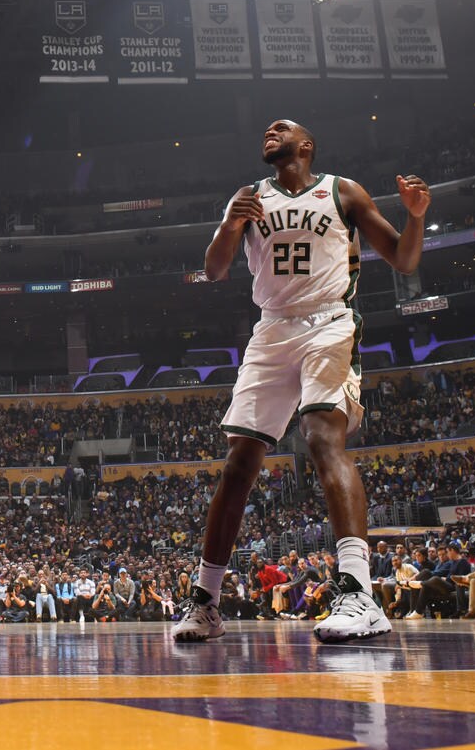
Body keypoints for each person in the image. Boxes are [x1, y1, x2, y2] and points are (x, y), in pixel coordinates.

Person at [172, 120, 430, 645]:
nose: (270, 131)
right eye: (268, 130)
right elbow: (215, 270)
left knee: (319, 435)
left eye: (283, 129)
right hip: (271, 330)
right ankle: (206, 602)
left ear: (306, 147)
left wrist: (417, 218)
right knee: (238, 464)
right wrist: (227, 225)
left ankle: (359, 593)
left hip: (329, 321)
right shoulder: (247, 197)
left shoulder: (342, 191)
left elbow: (403, 258)